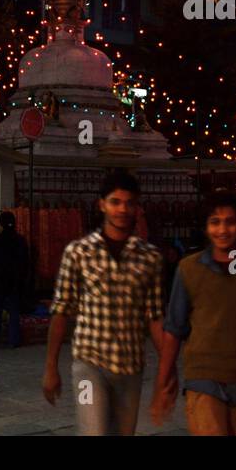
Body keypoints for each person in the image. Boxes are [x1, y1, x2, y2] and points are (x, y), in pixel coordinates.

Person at [150, 192, 236, 436]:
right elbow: (174, 329)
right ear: (206, 228)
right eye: (215, 222)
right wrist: (163, 384)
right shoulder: (189, 269)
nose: (222, 229)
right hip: (203, 378)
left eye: (230, 222)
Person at [43, 170, 164, 436]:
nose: (122, 209)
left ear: (136, 207)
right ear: (102, 204)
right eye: (115, 202)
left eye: (128, 203)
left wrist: (167, 372)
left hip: (130, 365)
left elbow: (155, 317)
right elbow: (61, 311)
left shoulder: (149, 258)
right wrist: (51, 367)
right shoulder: (79, 252)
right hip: (90, 363)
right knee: (94, 431)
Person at [0, 211, 29, 349]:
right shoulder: (20, 240)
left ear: (0, 223)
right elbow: (25, 262)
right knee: (14, 313)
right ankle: (13, 340)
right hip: (14, 282)